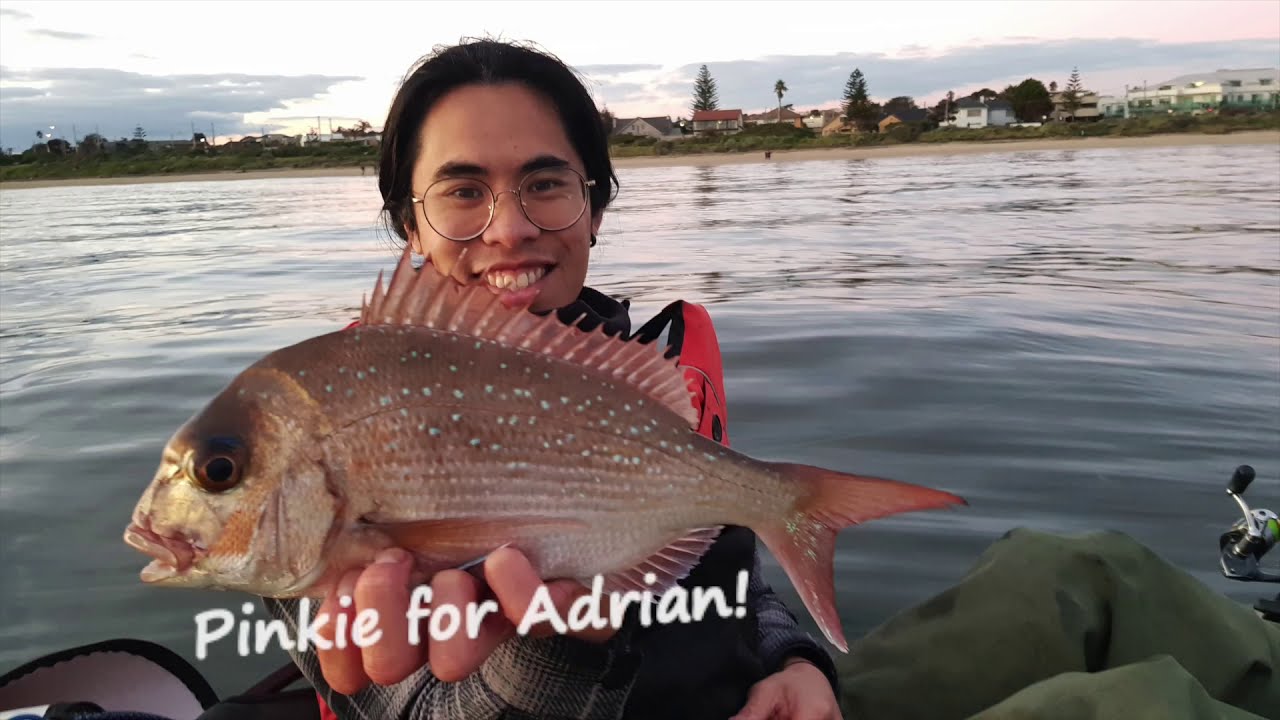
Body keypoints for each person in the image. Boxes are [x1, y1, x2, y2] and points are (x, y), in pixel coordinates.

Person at [261, 38, 843, 720]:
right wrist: (559, 649)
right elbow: (414, 710)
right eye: (463, 192)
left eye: (545, 184)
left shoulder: (639, 379)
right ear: (409, 225)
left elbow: (714, 550)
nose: (509, 228)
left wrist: (792, 659)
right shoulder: (314, 431)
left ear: (593, 211)